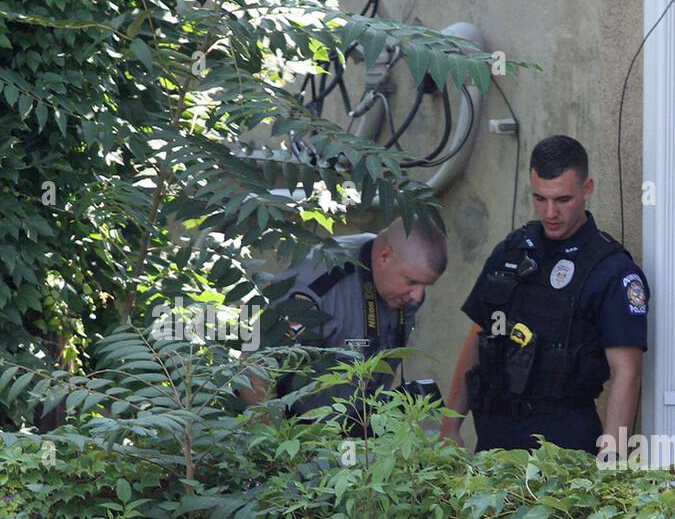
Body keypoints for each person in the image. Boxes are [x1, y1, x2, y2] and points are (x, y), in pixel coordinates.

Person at [439, 135, 647, 457]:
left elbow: (627, 372)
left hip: (563, 438)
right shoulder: (512, 250)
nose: (550, 212)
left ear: (587, 189)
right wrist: (449, 427)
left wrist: (613, 458)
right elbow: (481, 335)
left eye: (563, 199)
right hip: (495, 437)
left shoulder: (612, 271)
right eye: (540, 198)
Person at [239, 218, 447, 433]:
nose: (418, 296)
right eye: (412, 282)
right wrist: (276, 447)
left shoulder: (400, 288)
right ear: (384, 257)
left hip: (361, 431)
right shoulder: (317, 287)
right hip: (300, 433)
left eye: (426, 285)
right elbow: (252, 374)